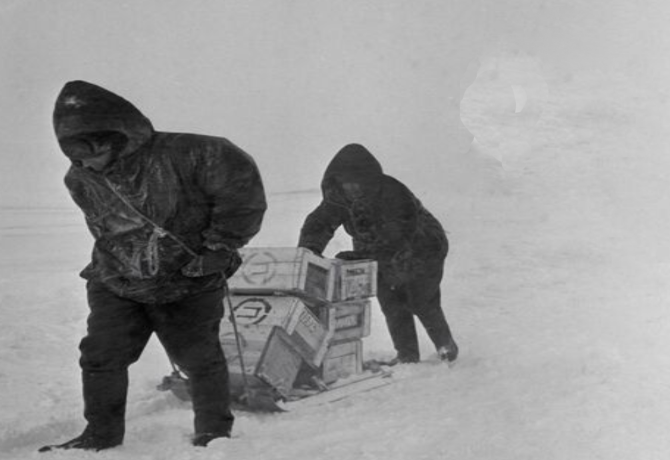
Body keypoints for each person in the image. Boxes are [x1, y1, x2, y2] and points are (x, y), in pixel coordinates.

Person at [41, 81, 266, 452]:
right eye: (72, 154)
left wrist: (220, 246)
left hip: (188, 277)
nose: (81, 163)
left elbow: (241, 198)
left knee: (199, 359)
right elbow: (105, 228)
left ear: (112, 136)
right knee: (99, 356)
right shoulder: (78, 178)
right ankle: (100, 435)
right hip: (117, 279)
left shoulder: (199, 152)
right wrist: (115, 266)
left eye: (87, 151)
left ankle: (214, 435)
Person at [298, 144, 458, 365]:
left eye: (357, 182)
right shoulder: (338, 199)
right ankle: (407, 355)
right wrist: (309, 251)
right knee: (391, 302)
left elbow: (398, 233)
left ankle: (446, 346)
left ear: (368, 180)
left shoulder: (393, 191)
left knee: (422, 300)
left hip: (423, 247)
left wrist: (363, 256)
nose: (352, 188)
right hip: (376, 251)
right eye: (346, 183)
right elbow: (319, 224)